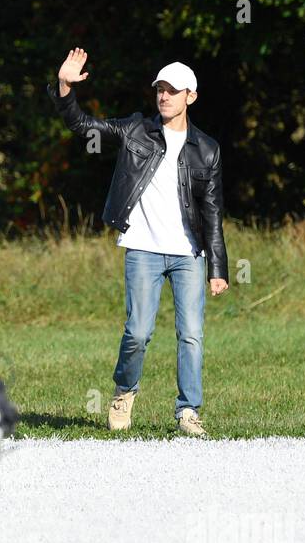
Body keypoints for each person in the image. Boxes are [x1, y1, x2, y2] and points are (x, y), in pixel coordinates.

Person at [47, 48, 229, 437]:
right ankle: (124, 392)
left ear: (190, 97)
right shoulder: (136, 130)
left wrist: (217, 268)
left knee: (192, 333)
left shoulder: (207, 149)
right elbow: (83, 126)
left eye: (172, 91)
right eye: (159, 90)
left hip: (188, 255)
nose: (164, 96)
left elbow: (212, 212)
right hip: (143, 249)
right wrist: (65, 88)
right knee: (138, 332)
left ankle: (188, 412)